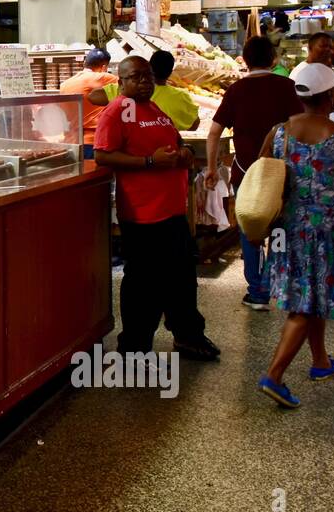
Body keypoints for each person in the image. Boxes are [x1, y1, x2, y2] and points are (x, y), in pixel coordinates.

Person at [257, 62, 334, 409]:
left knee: (311, 297)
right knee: (306, 306)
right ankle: (274, 376)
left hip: (287, 231)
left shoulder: (279, 132)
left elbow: (262, 176)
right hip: (327, 233)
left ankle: (321, 361)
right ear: (333, 96)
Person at [93, 56, 220, 361]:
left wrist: (187, 152)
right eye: (136, 77)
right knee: (143, 284)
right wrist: (150, 162)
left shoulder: (154, 109)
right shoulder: (115, 112)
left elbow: (176, 140)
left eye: (148, 76)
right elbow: (103, 156)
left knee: (181, 278)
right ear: (120, 81)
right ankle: (134, 347)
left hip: (172, 210)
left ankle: (188, 336)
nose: (144, 82)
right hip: (143, 213)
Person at [203, 36, 304, 310]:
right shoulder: (287, 86)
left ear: (245, 60)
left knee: (251, 226)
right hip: (282, 172)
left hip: (246, 171)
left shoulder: (235, 90)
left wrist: (212, 168)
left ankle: (257, 290)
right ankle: (276, 283)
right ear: (273, 59)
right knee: (280, 226)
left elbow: (214, 134)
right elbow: (298, 128)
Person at [87, 50, 200, 131]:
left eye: (147, 79)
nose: (144, 85)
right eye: (137, 78)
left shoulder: (130, 93)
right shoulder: (180, 97)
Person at [60, 48, 118, 159]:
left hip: (71, 142)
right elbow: (129, 85)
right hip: (92, 141)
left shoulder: (65, 84)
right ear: (104, 67)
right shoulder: (104, 77)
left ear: (84, 63)